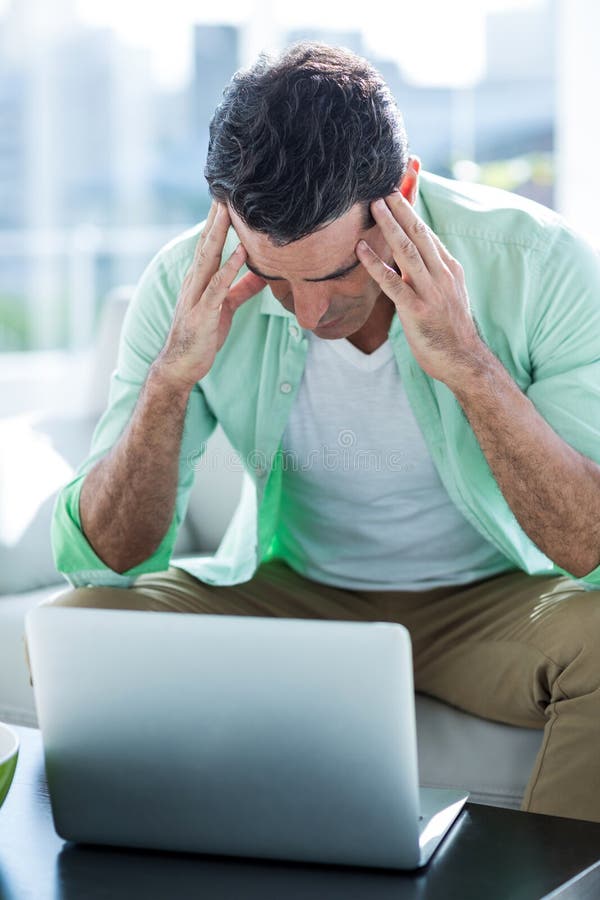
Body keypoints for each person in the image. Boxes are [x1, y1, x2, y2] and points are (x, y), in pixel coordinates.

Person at [32, 42, 600, 822]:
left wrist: (469, 363)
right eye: (275, 276)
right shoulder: (187, 282)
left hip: (493, 600)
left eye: (333, 276)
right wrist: (170, 381)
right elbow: (103, 561)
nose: (304, 313)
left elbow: (592, 546)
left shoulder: (542, 264)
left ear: (400, 192)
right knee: (78, 630)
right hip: (291, 594)